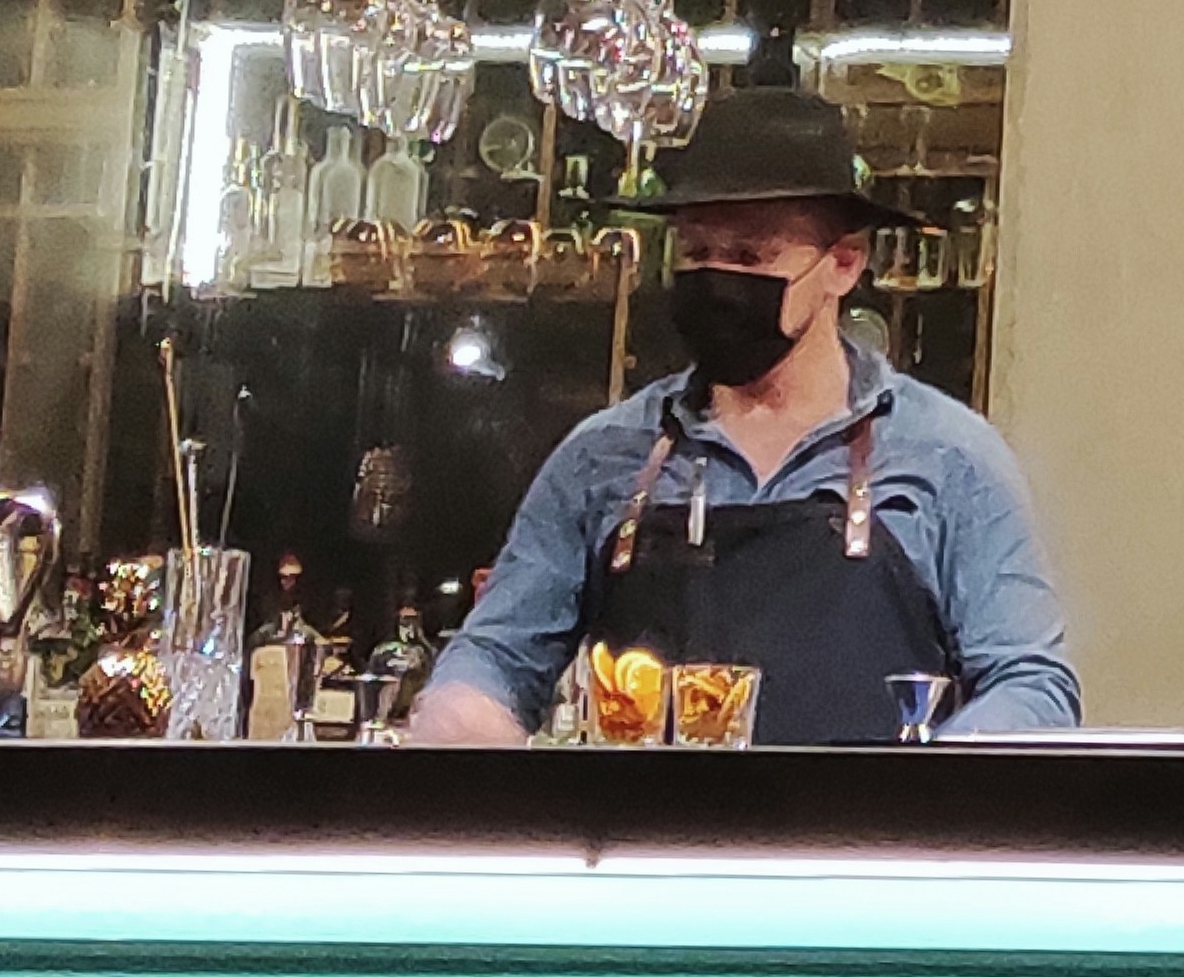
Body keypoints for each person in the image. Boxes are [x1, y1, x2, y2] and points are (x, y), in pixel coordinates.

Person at [408, 95, 1084, 742]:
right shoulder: (604, 455)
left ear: (844, 264)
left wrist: (919, 794)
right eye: (699, 253)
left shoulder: (947, 455)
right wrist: (464, 717)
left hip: (861, 850)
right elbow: (497, 655)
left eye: (752, 257)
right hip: (648, 849)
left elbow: (1031, 683)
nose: (718, 278)